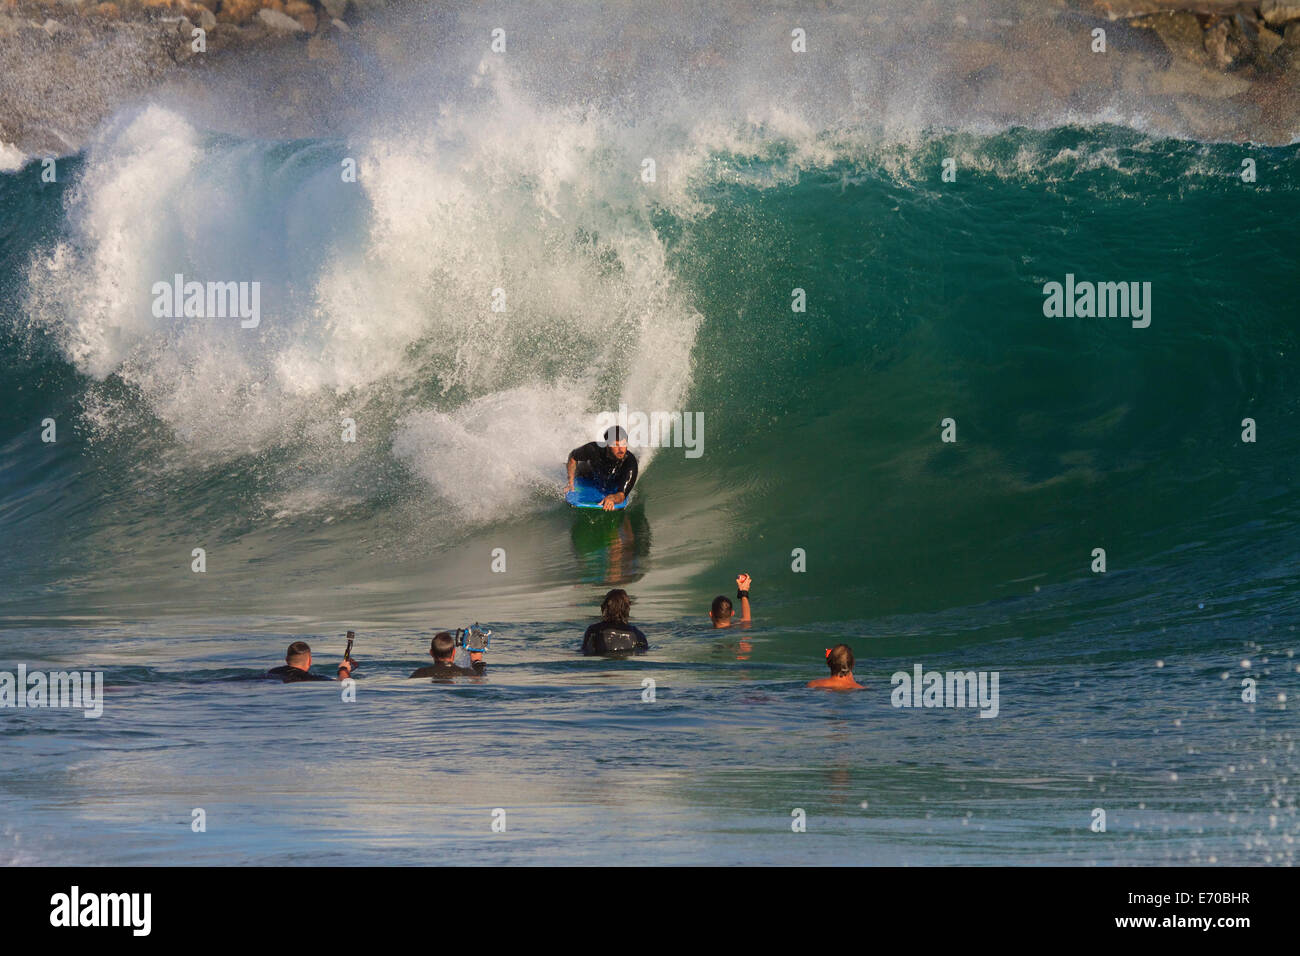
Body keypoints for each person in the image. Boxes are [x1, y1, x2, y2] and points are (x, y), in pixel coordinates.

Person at [566, 425, 639, 511]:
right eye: (615, 445)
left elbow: (621, 496)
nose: (621, 449)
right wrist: (570, 481)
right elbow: (573, 456)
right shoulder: (594, 449)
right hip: (589, 474)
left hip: (614, 481)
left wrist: (613, 498)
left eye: (624, 444)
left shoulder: (630, 462)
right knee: (582, 468)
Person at [582, 588, 648, 654]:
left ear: (604, 607)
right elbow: (643, 651)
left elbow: (585, 652)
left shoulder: (593, 630)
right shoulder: (637, 633)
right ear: (627, 609)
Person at [266, 640, 357, 683]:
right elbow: (345, 682)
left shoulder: (272, 671)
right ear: (310, 660)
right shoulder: (310, 677)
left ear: (286, 659)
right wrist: (343, 669)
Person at [410, 631, 486, 678]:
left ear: (431, 653)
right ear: (454, 652)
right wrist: (477, 661)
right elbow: (479, 680)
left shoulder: (419, 673)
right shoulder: (468, 673)